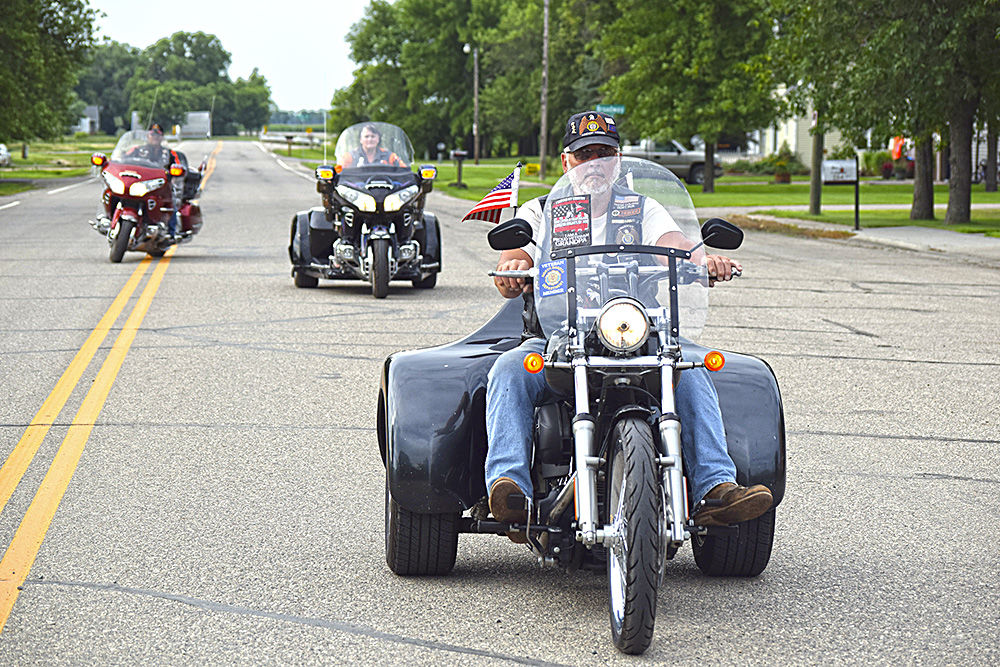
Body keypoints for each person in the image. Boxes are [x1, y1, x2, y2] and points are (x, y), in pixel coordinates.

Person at [485, 110, 773, 538]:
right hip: (558, 340)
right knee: (508, 370)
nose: (594, 164)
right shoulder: (544, 210)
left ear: (618, 160)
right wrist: (512, 266)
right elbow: (521, 253)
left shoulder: (642, 207)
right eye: (585, 156)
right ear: (567, 163)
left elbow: (671, 246)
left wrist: (701, 260)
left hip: (642, 338)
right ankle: (510, 488)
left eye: (604, 154)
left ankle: (715, 488)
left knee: (691, 370)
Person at [340, 123, 407, 168]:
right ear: (360, 139)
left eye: (373, 136)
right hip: (355, 189)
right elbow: (338, 173)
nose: (370, 139)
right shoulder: (349, 156)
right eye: (366, 136)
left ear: (378, 139)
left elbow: (405, 171)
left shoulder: (390, 156)